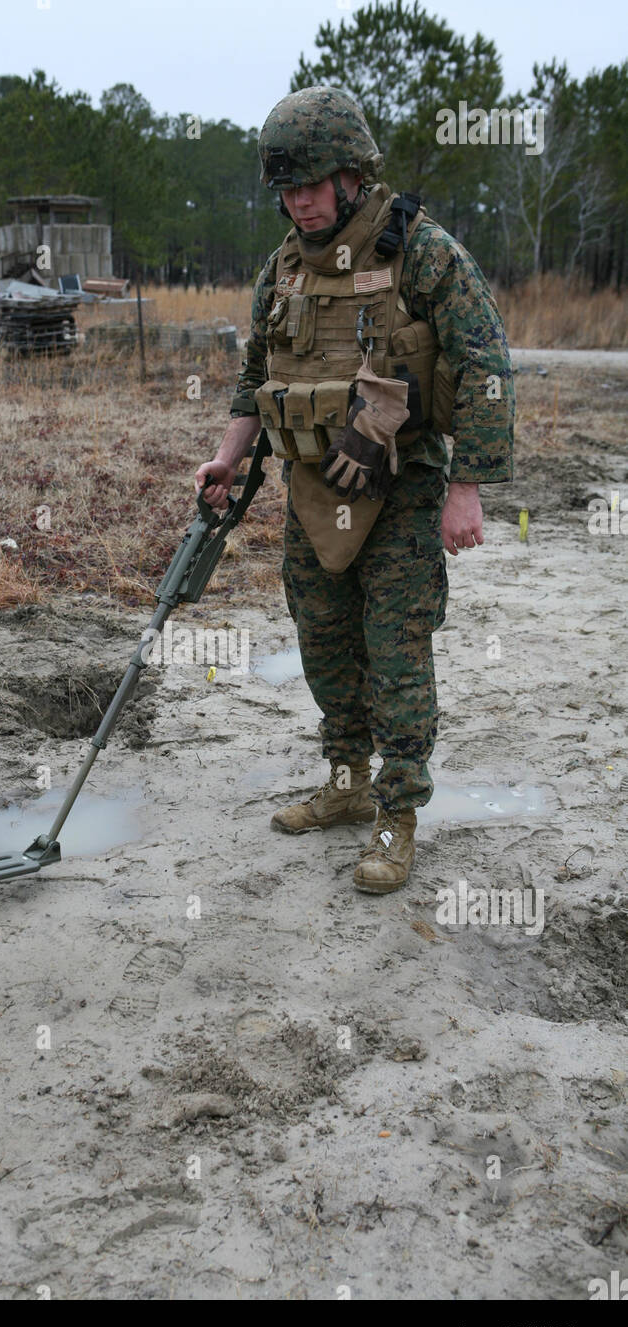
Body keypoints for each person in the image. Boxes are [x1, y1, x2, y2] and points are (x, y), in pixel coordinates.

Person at [195, 86, 514, 893]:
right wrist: (228, 458)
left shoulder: (423, 251)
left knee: (395, 654)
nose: (299, 202)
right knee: (324, 644)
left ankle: (397, 815)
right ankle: (347, 783)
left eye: (311, 185)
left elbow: (485, 365)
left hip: (403, 492)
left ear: (351, 175)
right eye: (286, 188)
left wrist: (467, 489)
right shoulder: (283, 268)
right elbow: (255, 375)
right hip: (313, 489)